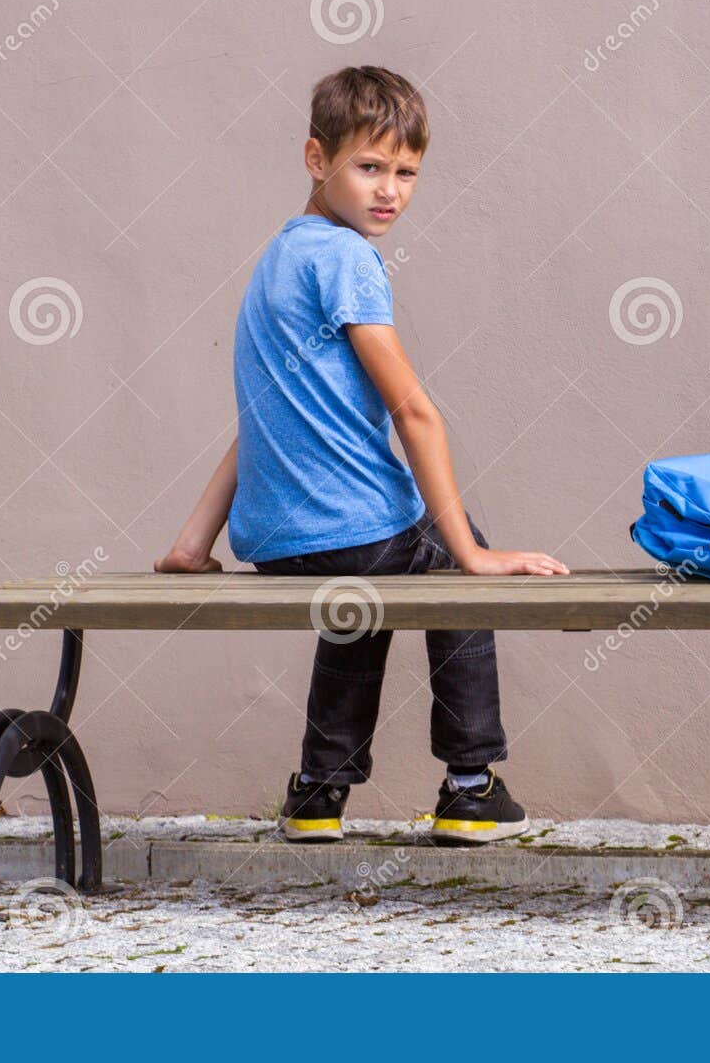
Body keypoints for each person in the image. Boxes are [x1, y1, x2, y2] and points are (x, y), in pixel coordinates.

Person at [156, 65, 569, 845]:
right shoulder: (347, 259)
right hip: (356, 534)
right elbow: (414, 410)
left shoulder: (276, 261)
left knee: (364, 597)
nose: (390, 191)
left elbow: (258, 420)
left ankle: (318, 792)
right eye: (369, 167)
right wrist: (473, 556)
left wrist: (192, 543)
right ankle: (471, 785)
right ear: (317, 160)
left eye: (406, 172)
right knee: (447, 550)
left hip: (284, 548)